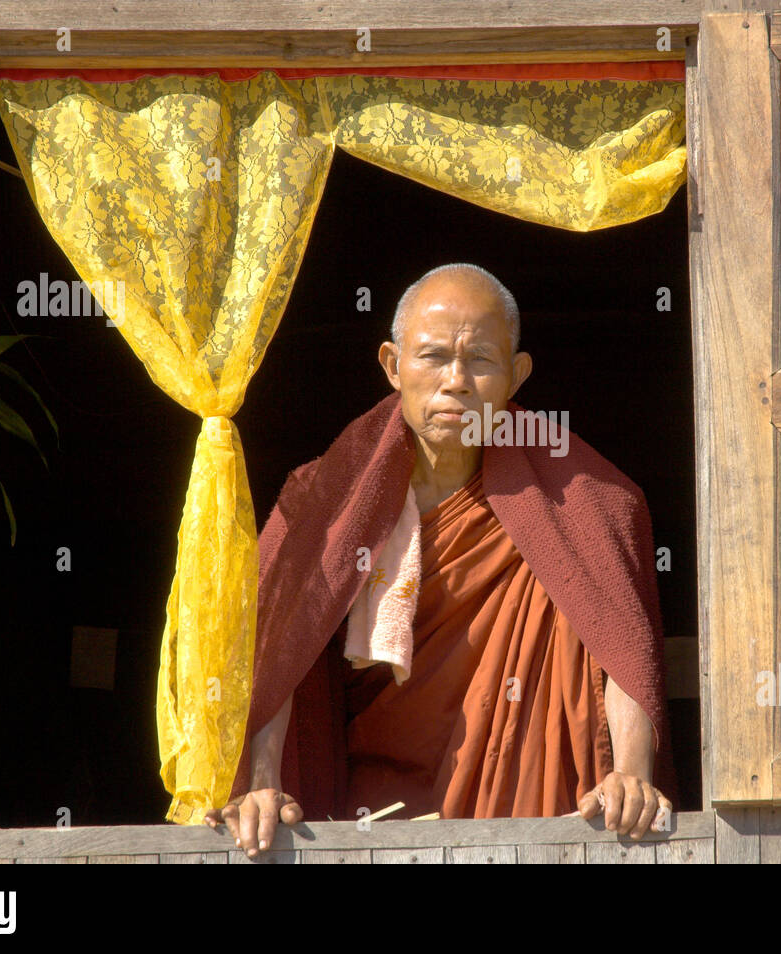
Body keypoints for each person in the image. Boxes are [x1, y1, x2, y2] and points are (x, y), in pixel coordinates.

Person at [206, 263, 672, 857]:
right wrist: (262, 784)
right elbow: (279, 646)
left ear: (516, 375)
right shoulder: (323, 499)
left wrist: (631, 774)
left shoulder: (585, 499)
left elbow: (621, 643)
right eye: (431, 358)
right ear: (392, 366)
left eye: (480, 360)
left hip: (532, 810)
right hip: (370, 810)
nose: (456, 381)